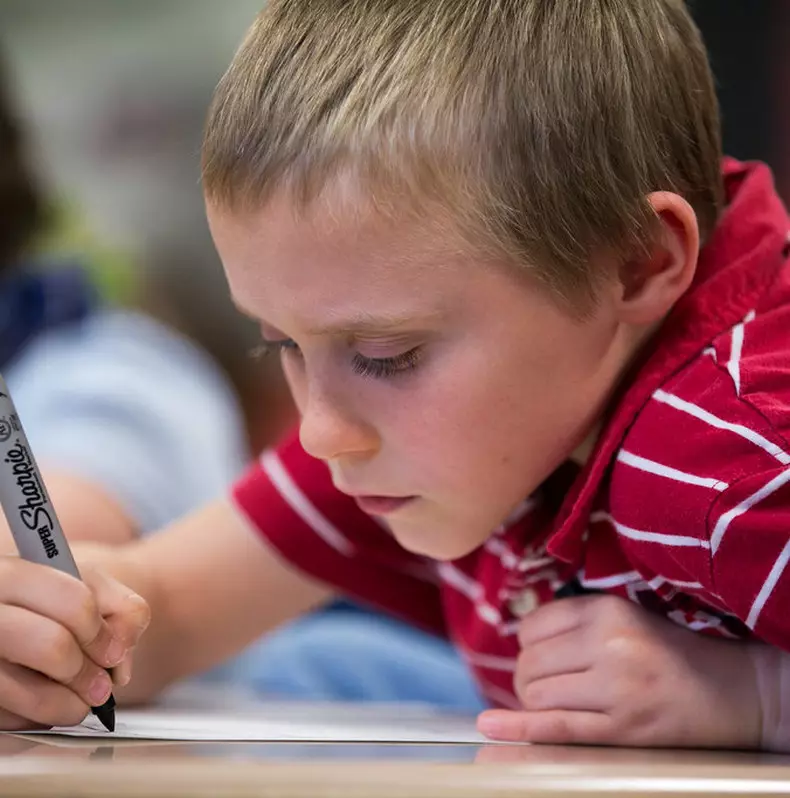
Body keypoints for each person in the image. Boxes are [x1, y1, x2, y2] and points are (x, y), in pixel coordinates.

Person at [1, 0, 790, 750]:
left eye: (388, 354)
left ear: (635, 264)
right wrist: (56, 629)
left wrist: (751, 697)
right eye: (279, 343)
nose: (320, 430)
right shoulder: (430, 427)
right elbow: (163, 610)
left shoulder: (727, 464)